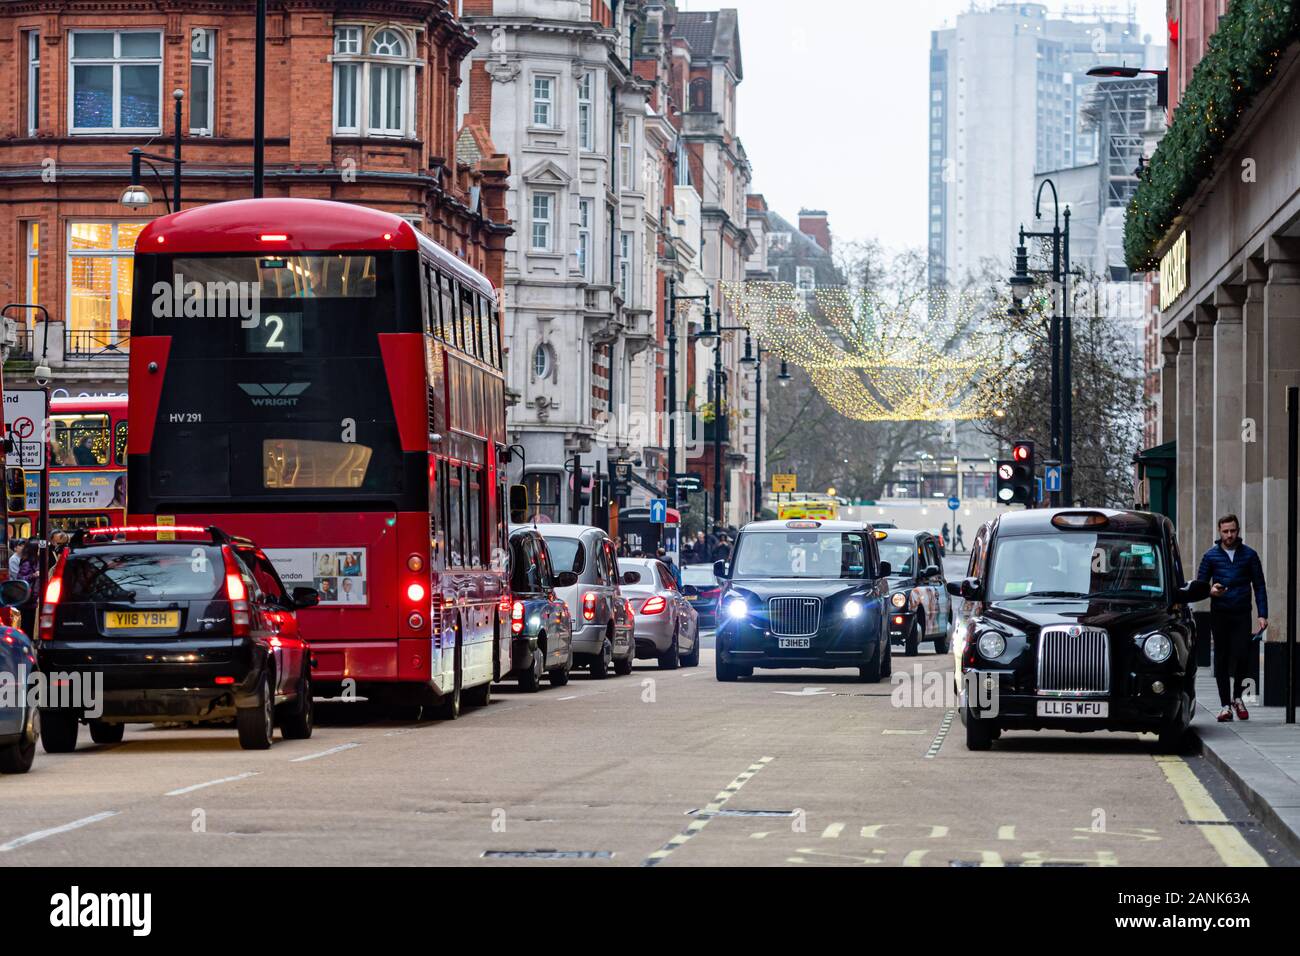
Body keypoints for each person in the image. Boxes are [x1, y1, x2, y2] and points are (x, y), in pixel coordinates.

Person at [1197, 514, 1268, 722]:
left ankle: (1238, 697)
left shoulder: (1249, 555)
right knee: (1221, 658)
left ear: (1238, 531)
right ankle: (1225, 705)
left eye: (1233, 531)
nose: (1229, 535)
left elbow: (1260, 585)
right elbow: (1201, 586)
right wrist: (1211, 591)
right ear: (1219, 532)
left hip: (1242, 613)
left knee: (1241, 656)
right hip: (1220, 614)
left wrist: (1262, 613)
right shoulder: (1210, 556)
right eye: (1226, 531)